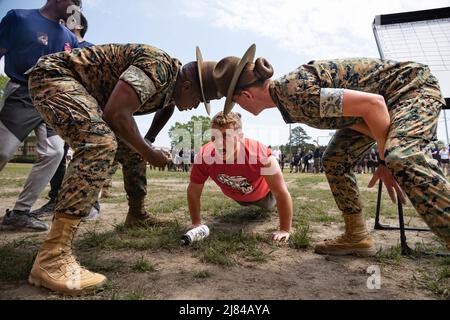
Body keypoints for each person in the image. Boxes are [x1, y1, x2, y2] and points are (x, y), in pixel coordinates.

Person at [213, 44, 449, 256]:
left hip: (410, 88)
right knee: (335, 160)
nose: (239, 108)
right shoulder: (289, 101)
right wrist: (383, 151)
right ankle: (356, 234)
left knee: (401, 157)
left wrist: (385, 159)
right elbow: (357, 118)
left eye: (237, 102)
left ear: (246, 94)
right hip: (383, 106)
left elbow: (373, 104)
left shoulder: (296, 95)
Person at [26, 44, 224, 294]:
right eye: (198, 100)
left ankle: (136, 215)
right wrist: (150, 153)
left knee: (133, 146)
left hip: (87, 94)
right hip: (54, 77)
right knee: (100, 142)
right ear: (187, 87)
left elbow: (166, 106)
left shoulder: (171, 86)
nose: (195, 107)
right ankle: (52, 257)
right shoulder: (159, 66)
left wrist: (148, 142)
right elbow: (117, 114)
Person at [0, 0, 80, 231]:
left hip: (52, 100)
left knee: (55, 152)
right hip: (22, 92)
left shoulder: (70, 38)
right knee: (3, 151)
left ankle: (20, 213)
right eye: (74, 2)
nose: (77, 8)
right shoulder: (19, 18)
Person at [31, 10, 100, 218]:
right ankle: (55, 199)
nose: (60, 21)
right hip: (58, 106)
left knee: (88, 153)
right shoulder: (58, 45)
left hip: (84, 109)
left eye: (66, 20)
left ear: (78, 25)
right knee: (57, 153)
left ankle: (90, 203)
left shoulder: (91, 49)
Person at [188, 111, 292, 242]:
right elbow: (193, 191)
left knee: (272, 201)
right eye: (215, 137)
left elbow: (281, 193)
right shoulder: (204, 156)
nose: (219, 142)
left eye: (226, 136)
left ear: (240, 136)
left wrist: (284, 229)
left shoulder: (259, 153)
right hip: (238, 195)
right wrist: (196, 223)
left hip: (264, 196)